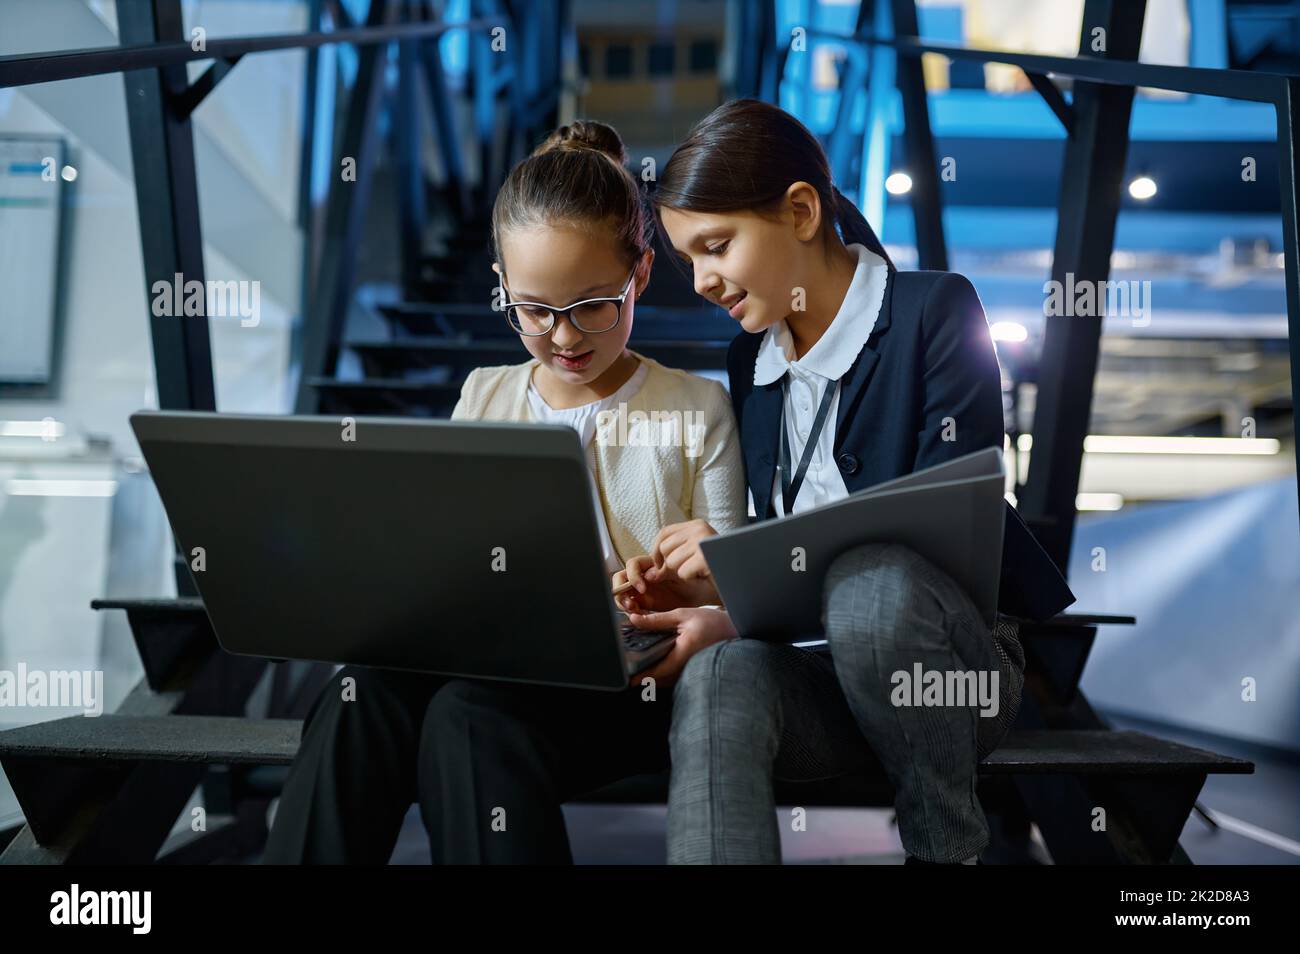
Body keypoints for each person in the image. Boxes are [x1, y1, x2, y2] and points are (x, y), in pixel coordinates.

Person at [262, 120, 746, 864]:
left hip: (634, 682)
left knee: (466, 716)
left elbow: (729, 596)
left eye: (592, 305)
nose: (563, 337)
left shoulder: (698, 407)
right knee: (364, 693)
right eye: (533, 310)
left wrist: (691, 587)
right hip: (501, 659)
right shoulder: (483, 393)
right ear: (502, 289)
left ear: (641, 273)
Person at [617, 99, 1076, 865]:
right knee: (723, 672)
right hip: (821, 672)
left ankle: (946, 851)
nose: (699, 281)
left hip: (950, 670)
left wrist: (746, 549)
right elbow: (792, 563)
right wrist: (719, 586)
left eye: (716, 246)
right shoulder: (750, 362)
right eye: (686, 259)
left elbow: (942, 534)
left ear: (800, 210)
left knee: (871, 588)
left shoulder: (934, 312)